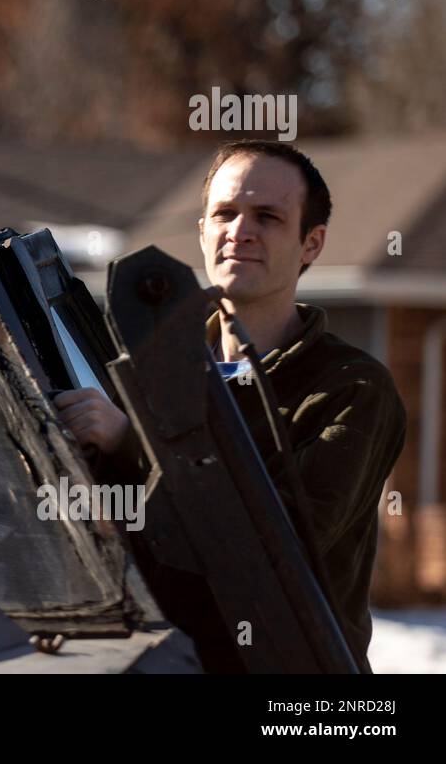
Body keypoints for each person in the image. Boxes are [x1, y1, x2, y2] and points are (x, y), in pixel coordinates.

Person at [54, 139, 406, 673]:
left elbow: (276, 547)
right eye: (225, 213)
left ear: (311, 244)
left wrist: (134, 446)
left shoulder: (352, 388)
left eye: (267, 216)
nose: (240, 231)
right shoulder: (146, 366)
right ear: (202, 232)